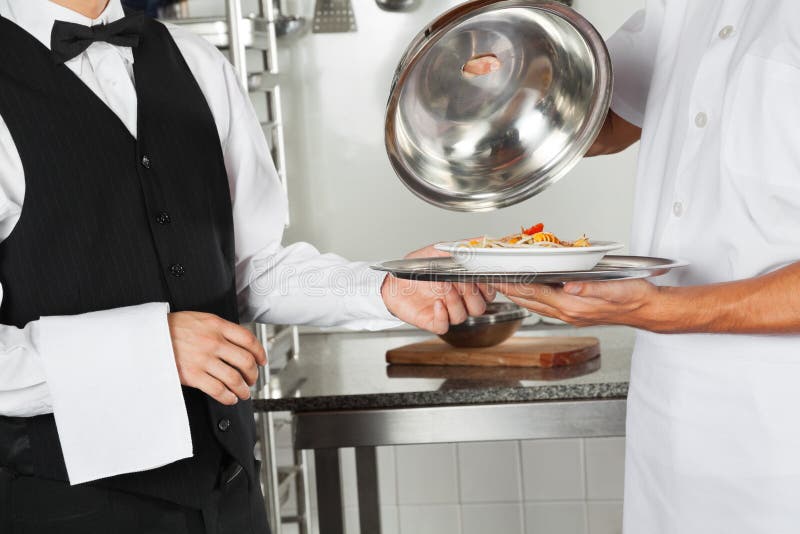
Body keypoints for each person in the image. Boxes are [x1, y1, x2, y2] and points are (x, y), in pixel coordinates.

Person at [0, 1, 491, 532]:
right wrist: (150, 348)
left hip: (229, 496)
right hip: (63, 508)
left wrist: (388, 289)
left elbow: (246, 269)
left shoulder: (196, 61)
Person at [496, 1, 800, 531]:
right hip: (669, 416)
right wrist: (516, 78)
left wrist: (664, 309)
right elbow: (602, 124)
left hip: (784, 425)